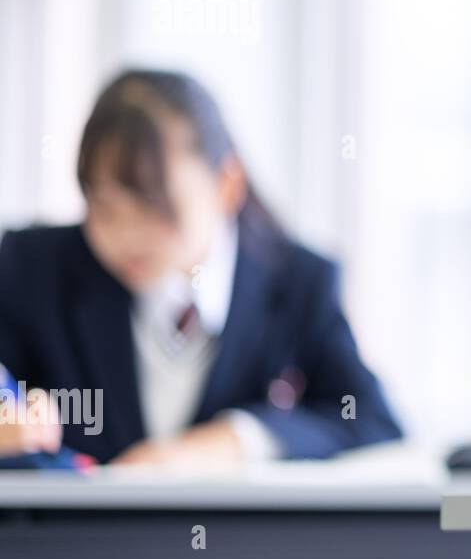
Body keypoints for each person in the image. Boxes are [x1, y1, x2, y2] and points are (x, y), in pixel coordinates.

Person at [0, 69, 403, 466]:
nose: (126, 236)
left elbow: (369, 418)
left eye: (156, 210)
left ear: (226, 184)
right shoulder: (33, 268)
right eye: (104, 209)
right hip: (70, 534)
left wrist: (232, 441)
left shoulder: (298, 282)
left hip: (239, 533)